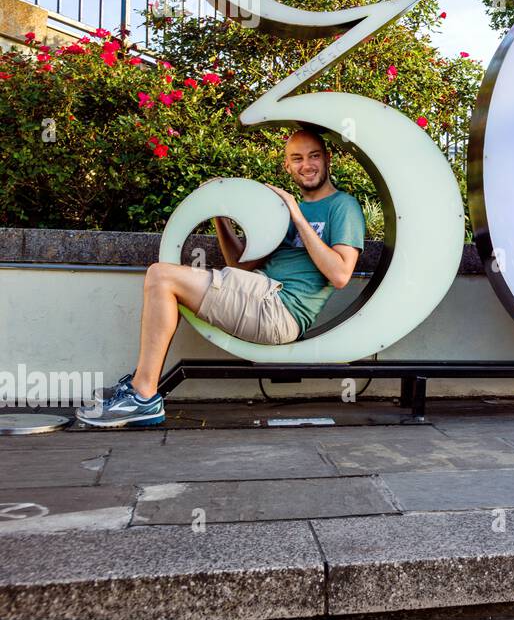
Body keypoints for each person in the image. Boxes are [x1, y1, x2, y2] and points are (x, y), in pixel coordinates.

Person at [76, 129, 366, 428]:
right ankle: (140, 388)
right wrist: (219, 213)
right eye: (297, 158)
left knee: (161, 277)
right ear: (287, 166)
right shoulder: (285, 209)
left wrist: (296, 215)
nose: (307, 165)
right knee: (161, 278)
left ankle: (143, 395)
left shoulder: (342, 206)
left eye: (314, 156)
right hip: (259, 294)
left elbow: (341, 274)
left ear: (328, 159)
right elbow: (241, 265)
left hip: (281, 309)